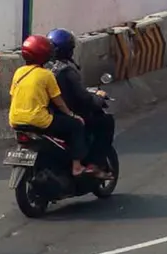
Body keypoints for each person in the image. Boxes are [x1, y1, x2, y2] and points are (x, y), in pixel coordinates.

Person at [9, 34, 97, 175]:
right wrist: (72, 115)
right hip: (38, 120)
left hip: (15, 119)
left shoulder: (19, 72)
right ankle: (77, 166)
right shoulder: (46, 75)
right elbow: (59, 102)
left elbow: (13, 95)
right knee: (76, 126)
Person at [44, 29, 113, 165]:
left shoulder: (41, 68)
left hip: (45, 113)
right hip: (63, 113)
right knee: (104, 121)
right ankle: (93, 162)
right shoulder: (66, 71)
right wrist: (99, 100)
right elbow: (83, 98)